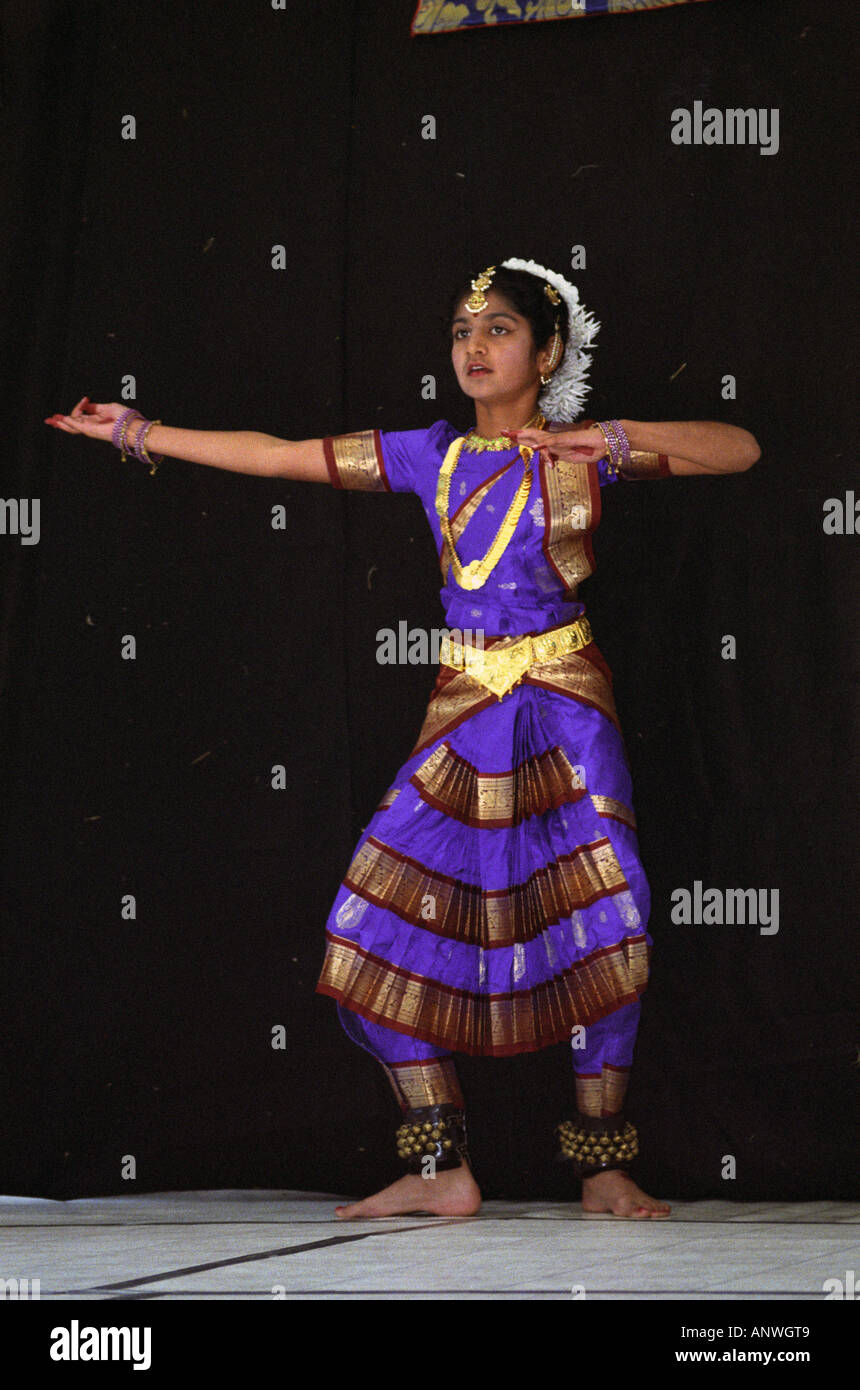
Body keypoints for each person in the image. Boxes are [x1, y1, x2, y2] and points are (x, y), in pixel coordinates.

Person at [46, 257, 759, 1221]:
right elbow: (277, 453)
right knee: (370, 925)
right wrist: (138, 431)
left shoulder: (586, 454)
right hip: (463, 703)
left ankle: (601, 1166)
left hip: (565, 700)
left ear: (547, 353)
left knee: (607, 915)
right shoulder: (433, 455)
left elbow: (741, 449)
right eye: (463, 333)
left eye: (499, 331)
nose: (475, 347)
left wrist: (610, 438)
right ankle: (440, 1170)